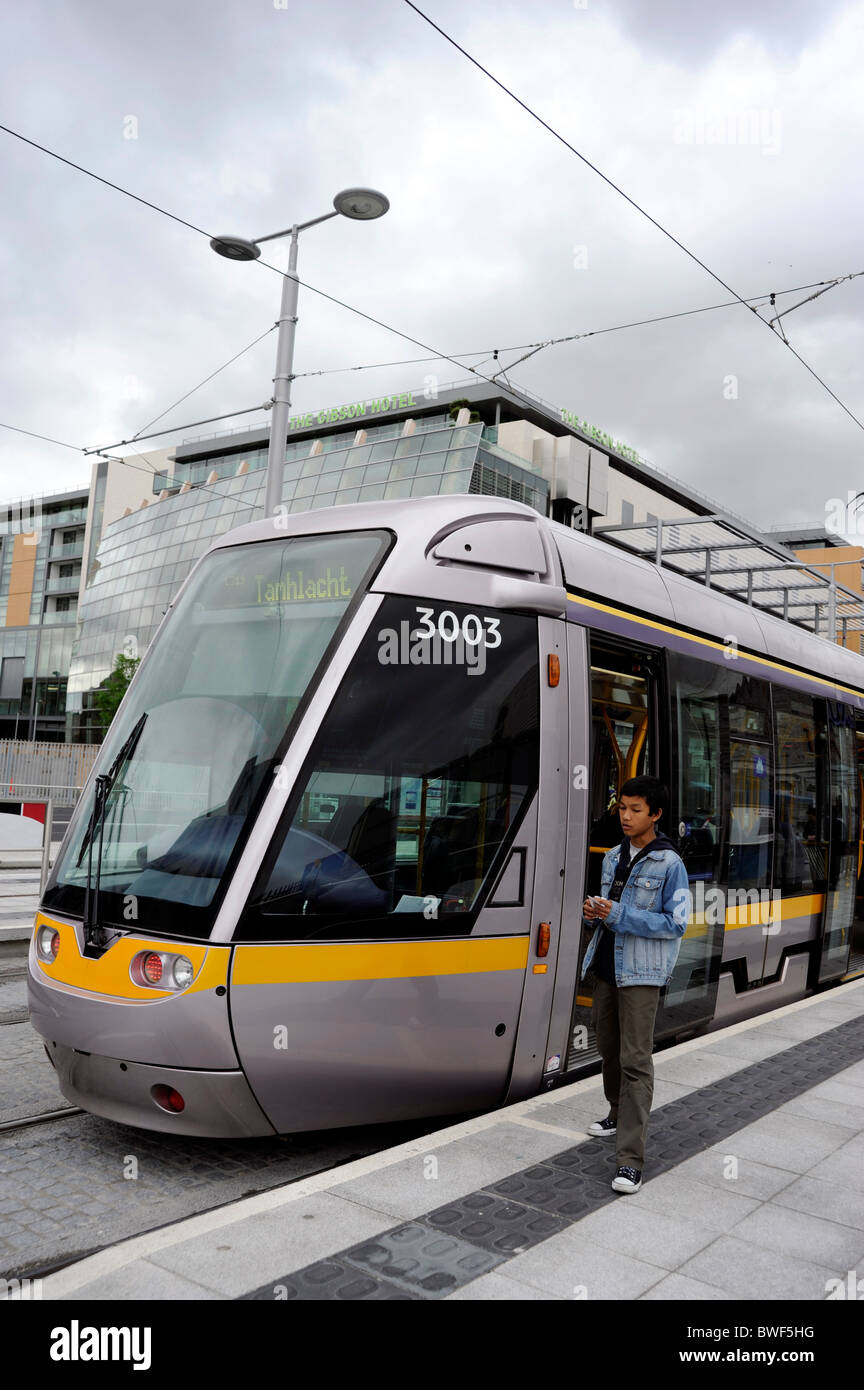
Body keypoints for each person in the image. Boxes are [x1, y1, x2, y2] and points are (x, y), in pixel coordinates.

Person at [581, 775, 690, 1195]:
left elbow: (675, 924)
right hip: (607, 967)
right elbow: (607, 913)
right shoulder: (612, 857)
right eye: (621, 808)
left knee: (635, 1061)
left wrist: (618, 914)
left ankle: (630, 1161)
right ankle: (614, 1112)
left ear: (656, 814)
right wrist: (595, 912)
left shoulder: (670, 865)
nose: (625, 816)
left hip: (642, 974)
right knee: (607, 1049)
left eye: (635, 810)